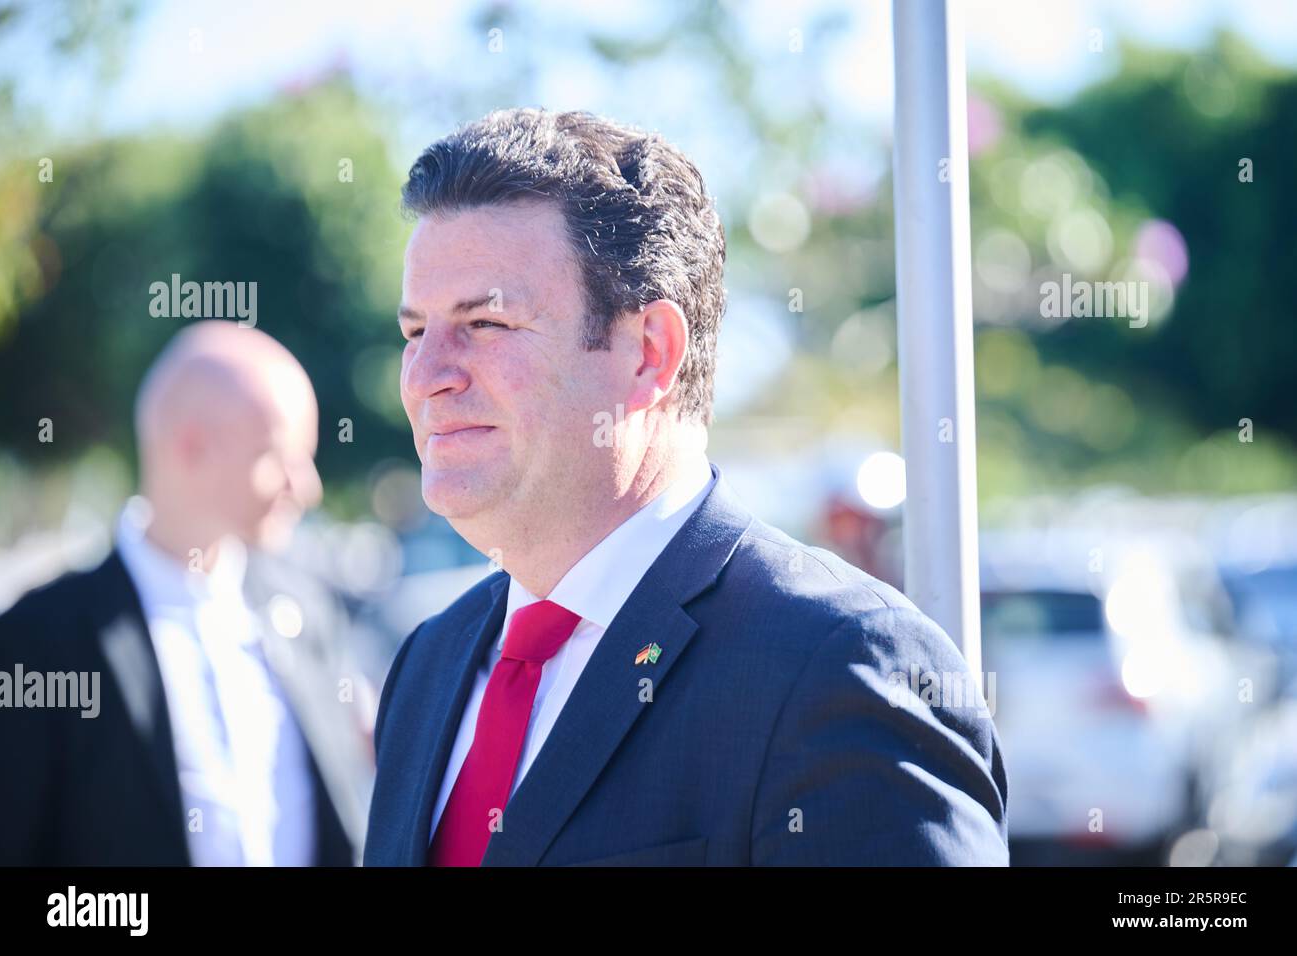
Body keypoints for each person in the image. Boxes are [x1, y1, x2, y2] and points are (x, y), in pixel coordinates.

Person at [364, 108, 1008, 866]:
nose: (426, 376)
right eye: (415, 331)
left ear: (649, 352)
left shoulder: (839, 668)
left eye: (484, 323)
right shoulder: (430, 664)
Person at [0, 320, 374, 865]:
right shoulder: (38, 642)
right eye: (281, 458)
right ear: (192, 445)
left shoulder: (306, 611)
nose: (307, 487)